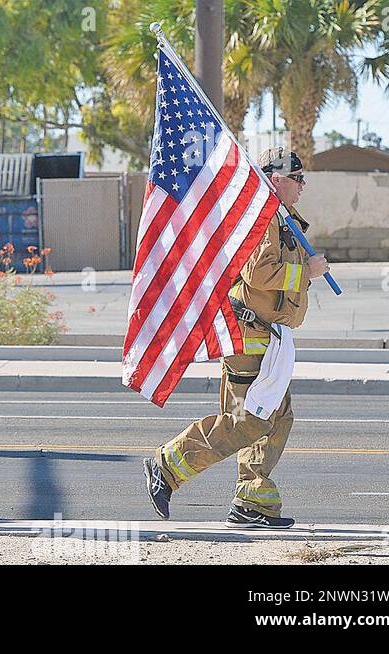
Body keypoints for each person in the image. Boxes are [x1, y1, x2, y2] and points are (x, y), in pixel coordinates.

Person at [143, 147, 330, 529]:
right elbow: (259, 274)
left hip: (270, 339)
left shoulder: (280, 218)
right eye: (297, 177)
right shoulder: (263, 219)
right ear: (276, 179)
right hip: (251, 339)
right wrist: (306, 272)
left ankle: (252, 501)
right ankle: (168, 465)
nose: (303, 184)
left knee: (276, 419)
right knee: (247, 420)